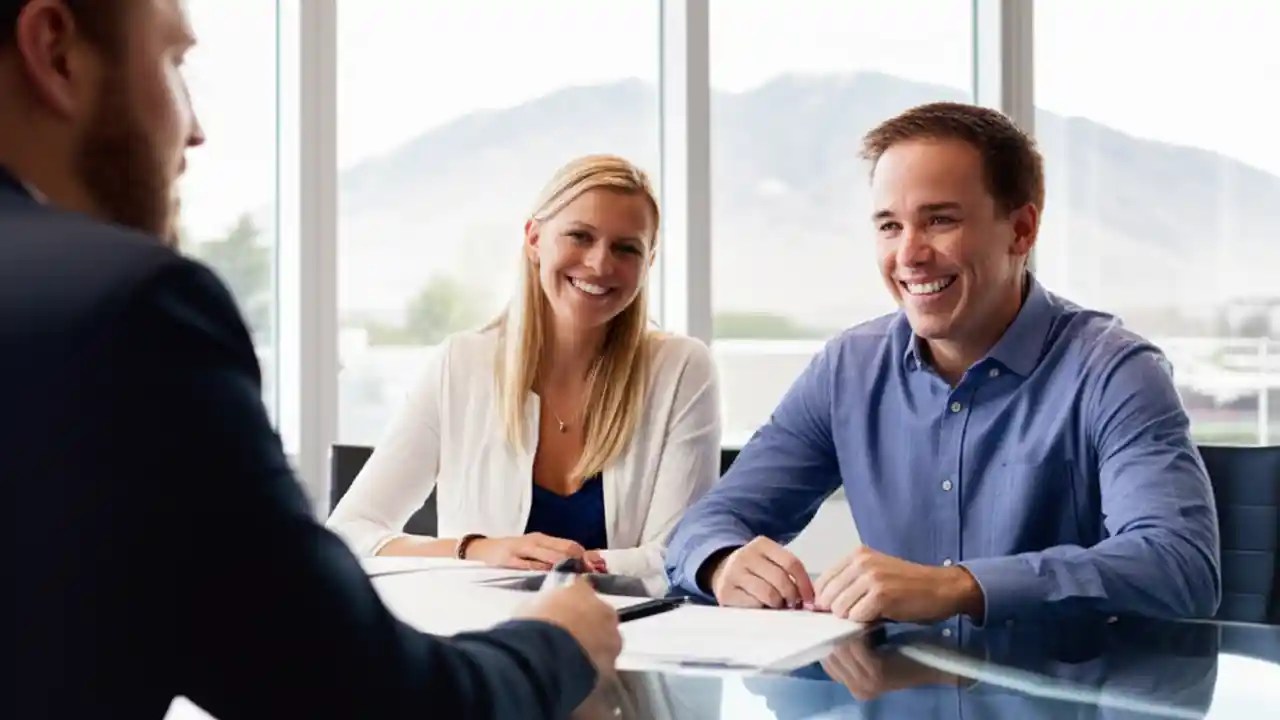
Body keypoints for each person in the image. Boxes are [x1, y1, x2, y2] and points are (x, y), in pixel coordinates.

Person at [4, 1, 620, 717]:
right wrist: (556, 644)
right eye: (174, 63)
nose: (196, 129)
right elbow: (369, 699)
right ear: (56, 50)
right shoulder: (128, 312)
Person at [665, 102, 1221, 628]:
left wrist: (960, 586)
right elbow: (705, 526)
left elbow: (1179, 566)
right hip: (892, 693)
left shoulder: (1115, 371)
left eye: (939, 220)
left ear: (1022, 230)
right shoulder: (847, 370)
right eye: (889, 225)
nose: (909, 254)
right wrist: (721, 562)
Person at [327, 154, 721, 584]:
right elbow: (349, 533)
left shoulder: (682, 369)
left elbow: (676, 556)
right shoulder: (459, 365)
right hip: (479, 639)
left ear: (649, 261)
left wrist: (563, 568)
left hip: (627, 641)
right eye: (580, 236)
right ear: (534, 238)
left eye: (626, 248)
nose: (600, 264)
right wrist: (478, 550)